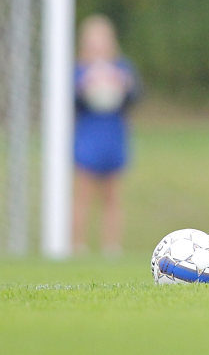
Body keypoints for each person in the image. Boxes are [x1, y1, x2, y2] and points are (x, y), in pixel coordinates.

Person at [72, 13, 140, 257]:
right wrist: (83, 88)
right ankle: (77, 246)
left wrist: (126, 86)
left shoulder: (122, 68)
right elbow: (71, 101)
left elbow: (136, 97)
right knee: (83, 196)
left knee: (113, 197)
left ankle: (111, 248)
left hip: (114, 137)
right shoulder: (78, 71)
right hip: (88, 138)